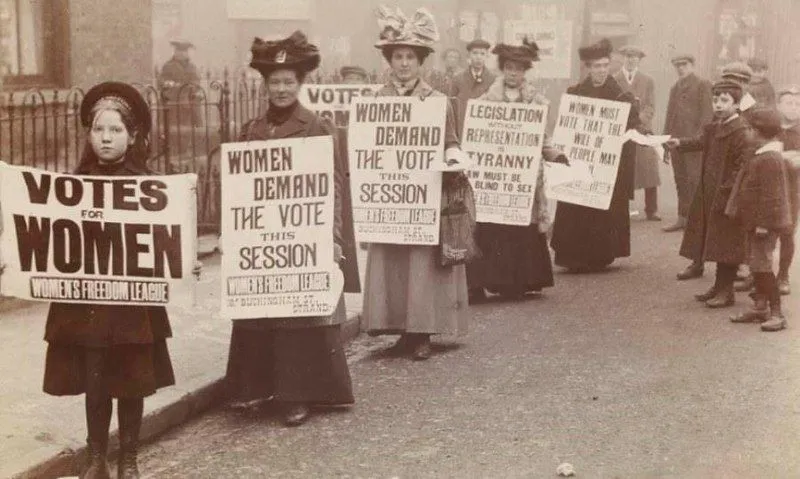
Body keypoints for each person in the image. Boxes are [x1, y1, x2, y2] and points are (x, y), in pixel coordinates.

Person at [35, 82, 189, 479]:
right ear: (88, 134)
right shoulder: (71, 186)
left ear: (133, 136)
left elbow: (166, 239)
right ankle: (97, 455)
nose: (106, 138)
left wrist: (184, 259)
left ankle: (129, 458)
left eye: (116, 130)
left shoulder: (150, 187)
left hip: (132, 302)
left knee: (131, 380)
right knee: (96, 378)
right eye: (99, 130)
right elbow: (49, 237)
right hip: (86, 301)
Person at [224, 31, 353, 427]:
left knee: (299, 317)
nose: (281, 89)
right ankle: (258, 388)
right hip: (264, 238)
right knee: (262, 309)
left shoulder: (316, 127)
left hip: (304, 237)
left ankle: (297, 395)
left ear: (300, 84)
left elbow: (331, 186)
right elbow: (240, 190)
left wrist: (332, 238)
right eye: (274, 82)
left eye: (288, 82)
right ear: (264, 85)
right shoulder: (250, 130)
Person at [363, 6, 469, 360]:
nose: (404, 63)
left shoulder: (438, 103)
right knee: (394, 262)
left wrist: (454, 158)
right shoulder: (376, 102)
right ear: (389, 60)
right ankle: (399, 329)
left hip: (424, 195)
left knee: (421, 264)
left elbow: (451, 142)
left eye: (410, 56)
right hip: (391, 195)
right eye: (398, 56)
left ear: (420, 61)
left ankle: (421, 331)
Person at [465, 38, 558, 302]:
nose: (513, 73)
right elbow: (475, 134)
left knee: (520, 229)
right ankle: (484, 281)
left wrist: (555, 154)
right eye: (508, 68)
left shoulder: (537, 102)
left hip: (523, 178)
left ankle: (518, 281)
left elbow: (544, 139)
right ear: (502, 69)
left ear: (525, 71)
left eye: (518, 69)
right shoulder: (486, 100)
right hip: (495, 178)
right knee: (491, 228)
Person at [550, 38, 640, 272]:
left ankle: (600, 254)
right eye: (595, 66)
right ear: (588, 68)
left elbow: (632, 126)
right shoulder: (575, 93)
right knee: (577, 205)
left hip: (607, 164)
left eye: (604, 65)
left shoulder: (621, 96)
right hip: (581, 159)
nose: (600, 70)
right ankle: (573, 256)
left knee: (602, 208)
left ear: (609, 66)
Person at [667, 79, 752, 309]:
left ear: (736, 104)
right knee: (715, 241)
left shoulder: (741, 132)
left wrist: (728, 191)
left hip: (728, 197)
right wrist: (679, 143)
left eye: (725, 100)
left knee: (727, 244)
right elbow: (699, 142)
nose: (718, 105)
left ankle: (727, 291)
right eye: (715, 100)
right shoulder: (715, 126)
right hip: (710, 194)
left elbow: (742, 167)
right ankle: (718, 286)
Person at [728, 108, 791, 331]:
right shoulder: (761, 153)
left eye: (748, 129)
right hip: (755, 222)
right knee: (756, 264)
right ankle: (760, 306)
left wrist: (764, 224)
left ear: (757, 131)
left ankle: (777, 312)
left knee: (762, 267)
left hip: (765, 224)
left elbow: (772, 196)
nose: (747, 133)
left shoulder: (770, 158)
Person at [663, 54, 713, 236]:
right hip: (676, 142)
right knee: (680, 180)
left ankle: (696, 221)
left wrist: (699, 139)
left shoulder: (702, 85)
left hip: (693, 143)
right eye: (677, 65)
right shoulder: (675, 87)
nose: (680, 68)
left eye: (684, 64)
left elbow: (707, 116)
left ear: (692, 65)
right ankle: (682, 218)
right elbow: (670, 114)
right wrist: (665, 139)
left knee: (694, 180)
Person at [614, 45, 661, 221]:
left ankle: (651, 209)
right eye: (628, 56)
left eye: (635, 57)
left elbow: (650, 105)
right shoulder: (614, 79)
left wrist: (641, 119)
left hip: (642, 127)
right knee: (623, 169)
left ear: (639, 60)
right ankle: (621, 209)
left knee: (649, 167)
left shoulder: (647, 80)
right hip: (623, 129)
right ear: (623, 58)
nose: (631, 59)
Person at [775, 85, 800, 294]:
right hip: (769, 188)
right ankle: (757, 275)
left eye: (798, 104)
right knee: (761, 233)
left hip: (792, 189)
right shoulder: (770, 128)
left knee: (787, 232)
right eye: (789, 103)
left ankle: (783, 275)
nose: (793, 108)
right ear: (778, 105)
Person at [451, 38, 496, 134]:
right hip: (462, 128)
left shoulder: (493, 80)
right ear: (469, 55)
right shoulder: (458, 79)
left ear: (487, 56)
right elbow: (451, 107)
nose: (478, 57)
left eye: (482, 54)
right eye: (475, 53)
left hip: (484, 129)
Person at [158, 39, 203, 128]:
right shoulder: (168, 66)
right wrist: (169, 84)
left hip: (188, 99)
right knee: (172, 125)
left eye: (184, 52)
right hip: (173, 99)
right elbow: (161, 81)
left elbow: (196, 81)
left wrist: (191, 87)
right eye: (179, 51)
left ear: (187, 53)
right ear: (175, 52)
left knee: (193, 117)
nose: (181, 54)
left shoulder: (192, 67)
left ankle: (198, 129)